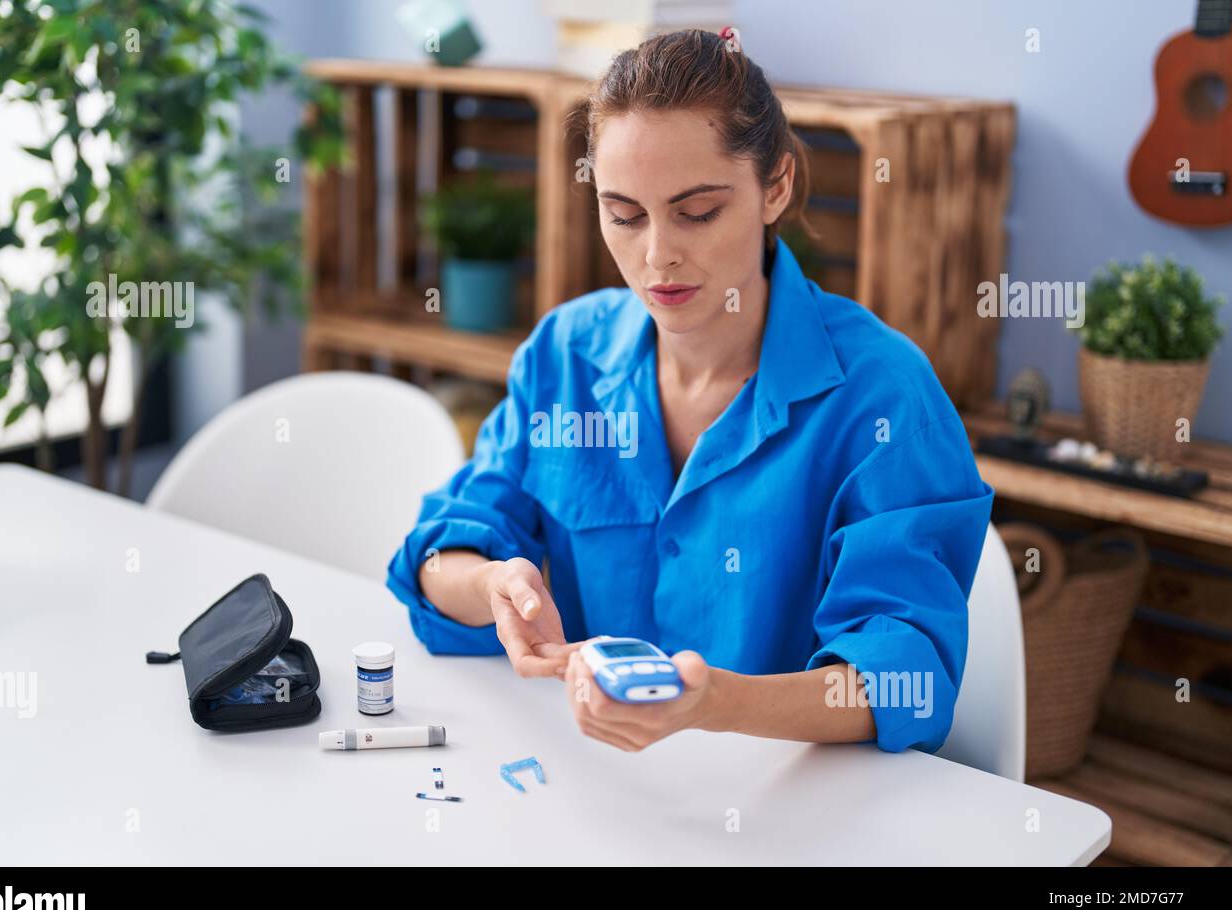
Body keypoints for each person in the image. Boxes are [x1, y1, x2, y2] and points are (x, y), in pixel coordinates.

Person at [387, 28, 993, 755]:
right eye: (624, 214)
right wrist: (491, 584)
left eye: (698, 211)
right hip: (596, 789)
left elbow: (909, 678)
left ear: (777, 186)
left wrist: (717, 702)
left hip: (795, 811)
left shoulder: (885, 399)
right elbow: (439, 553)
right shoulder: (563, 355)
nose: (657, 256)